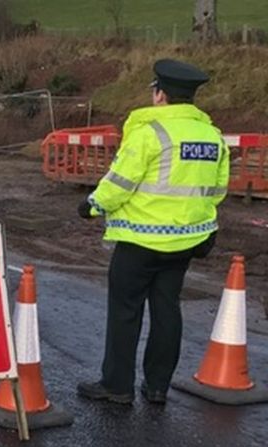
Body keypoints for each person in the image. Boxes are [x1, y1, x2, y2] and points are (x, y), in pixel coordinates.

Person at [77, 59, 229, 405]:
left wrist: (92, 206)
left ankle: (117, 386)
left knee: (125, 312)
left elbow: (119, 185)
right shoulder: (212, 136)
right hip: (186, 242)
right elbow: (216, 190)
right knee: (167, 310)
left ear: (160, 95)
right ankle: (157, 386)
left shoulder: (149, 134)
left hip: (139, 242)